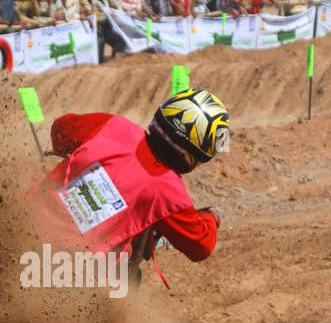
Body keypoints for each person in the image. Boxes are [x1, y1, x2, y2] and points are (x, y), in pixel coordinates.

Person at [35, 88, 229, 289]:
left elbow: (61, 130)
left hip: (26, 222)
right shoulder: (170, 194)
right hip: (67, 272)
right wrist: (211, 219)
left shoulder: (113, 126)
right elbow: (201, 248)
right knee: (128, 276)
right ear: (199, 153)